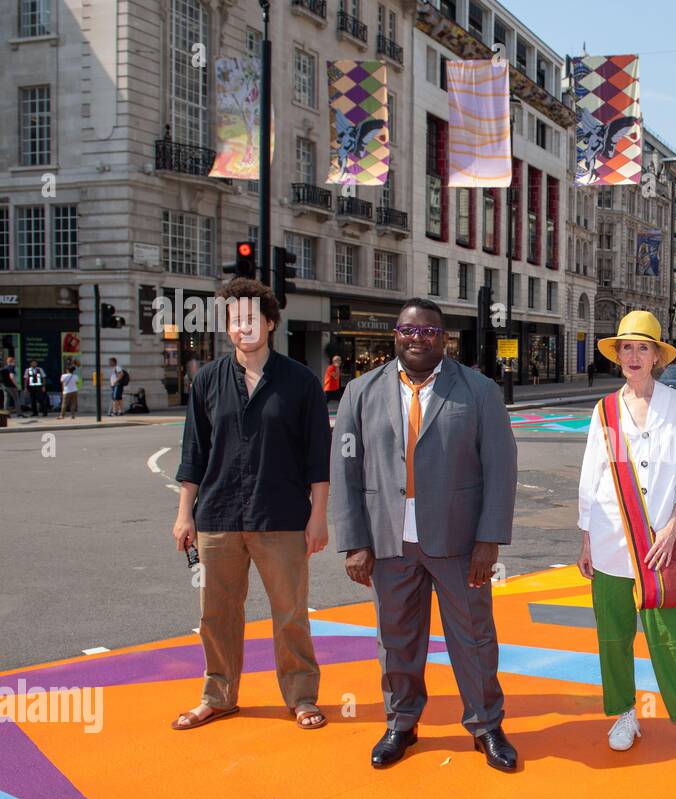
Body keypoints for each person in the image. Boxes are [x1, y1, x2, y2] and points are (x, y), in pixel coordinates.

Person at [330, 297, 519, 772]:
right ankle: (402, 723)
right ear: (395, 335)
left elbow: (501, 468)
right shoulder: (360, 392)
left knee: (474, 637)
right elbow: (346, 470)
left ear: (444, 339)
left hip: (459, 544)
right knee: (395, 639)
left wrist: (488, 539)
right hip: (388, 540)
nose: (418, 339)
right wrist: (355, 542)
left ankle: (486, 725)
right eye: (409, 331)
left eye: (429, 332)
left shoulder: (477, 391)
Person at [577, 311, 676, 763]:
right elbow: (591, 475)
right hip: (610, 539)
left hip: (657, 545)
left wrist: (674, 525)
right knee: (612, 634)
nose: (633, 356)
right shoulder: (604, 410)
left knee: (674, 635)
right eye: (625, 347)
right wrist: (586, 537)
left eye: (642, 347)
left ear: (656, 357)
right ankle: (625, 712)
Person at [171, 278, 332, 731]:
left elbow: (317, 457)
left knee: (290, 613)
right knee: (215, 614)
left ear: (270, 323)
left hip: (281, 515)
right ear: (227, 328)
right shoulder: (206, 380)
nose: (243, 329)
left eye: (251, 320)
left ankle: (301, 696)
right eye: (235, 321)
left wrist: (318, 517)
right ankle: (218, 695)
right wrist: (185, 513)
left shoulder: (300, 382)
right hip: (218, 516)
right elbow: (194, 452)